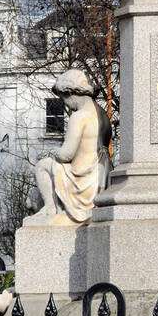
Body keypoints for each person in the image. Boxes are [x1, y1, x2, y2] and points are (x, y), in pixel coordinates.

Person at [24, 71, 111, 226]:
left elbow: (66, 154)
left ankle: (50, 209)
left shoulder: (79, 117)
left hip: (82, 180)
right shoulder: (102, 114)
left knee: (43, 165)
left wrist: (51, 152)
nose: (65, 104)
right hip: (100, 176)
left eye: (64, 98)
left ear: (71, 93)